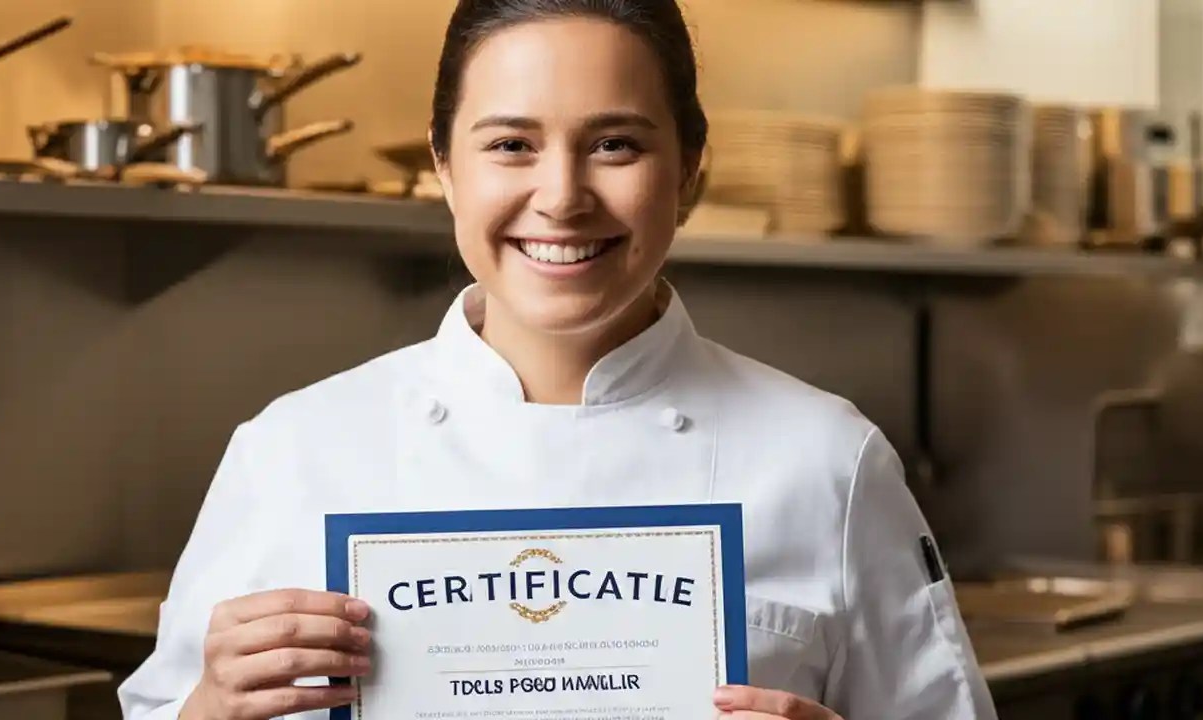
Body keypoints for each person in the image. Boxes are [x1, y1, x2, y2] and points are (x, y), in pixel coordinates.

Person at [118, 1, 998, 718]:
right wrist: (204, 712)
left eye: (616, 143)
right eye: (510, 145)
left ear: (689, 170)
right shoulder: (294, 449)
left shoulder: (827, 461)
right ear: (444, 168)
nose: (563, 196)